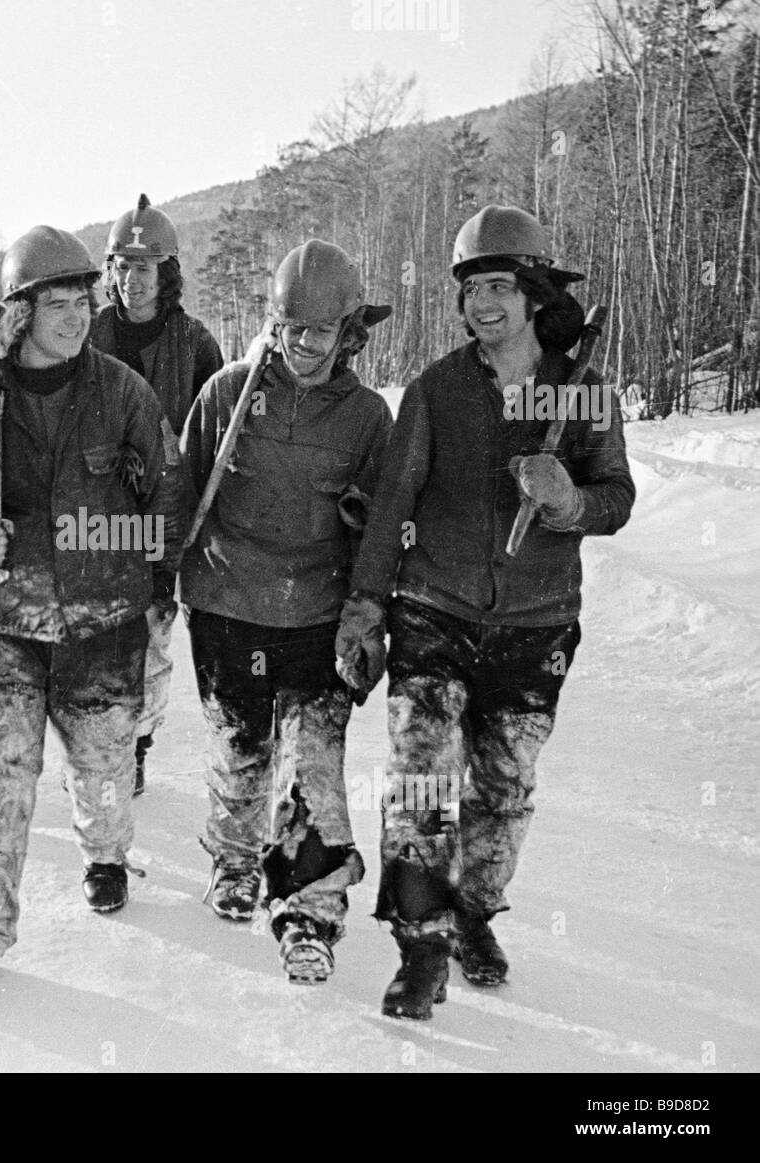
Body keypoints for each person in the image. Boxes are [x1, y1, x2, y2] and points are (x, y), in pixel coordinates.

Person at [337, 204, 635, 1019]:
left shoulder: (582, 391)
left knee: (503, 787)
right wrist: (366, 603)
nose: (484, 304)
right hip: (434, 611)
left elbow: (618, 496)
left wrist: (570, 498)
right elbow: (395, 500)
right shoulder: (435, 390)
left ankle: (473, 914)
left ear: (535, 293)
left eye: (500, 285)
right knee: (420, 780)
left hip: (536, 623)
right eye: (472, 288)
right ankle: (420, 946)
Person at [0, 226, 177, 998]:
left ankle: (105, 854)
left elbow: (166, 497)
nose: (75, 318)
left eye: (82, 302)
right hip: (6, 622)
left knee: (103, 768)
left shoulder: (123, 394)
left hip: (103, 622)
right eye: (58, 305)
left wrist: (155, 572)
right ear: (19, 315)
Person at [179, 240, 393, 983]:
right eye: (292, 328)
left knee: (312, 767)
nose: (306, 345)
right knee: (240, 751)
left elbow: (386, 527)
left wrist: (368, 609)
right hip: (227, 603)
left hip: (316, 615)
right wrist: (155, 583)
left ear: (349, 333)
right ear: (274, 324)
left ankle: (308, 912)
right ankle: (234, 858)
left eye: (321, 331)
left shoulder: (368, 418)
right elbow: (183, 494)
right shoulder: (227, 395)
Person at [89, 194, 223, 795]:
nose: (132, 279)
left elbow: (217, 436)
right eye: (122, 265)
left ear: (165, 273)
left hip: (164, 520)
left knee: (149, 635)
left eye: (145, 267)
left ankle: (136, 743)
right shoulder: (83, 334)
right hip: (92, 512)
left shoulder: (196, 344)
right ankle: (97, 743)